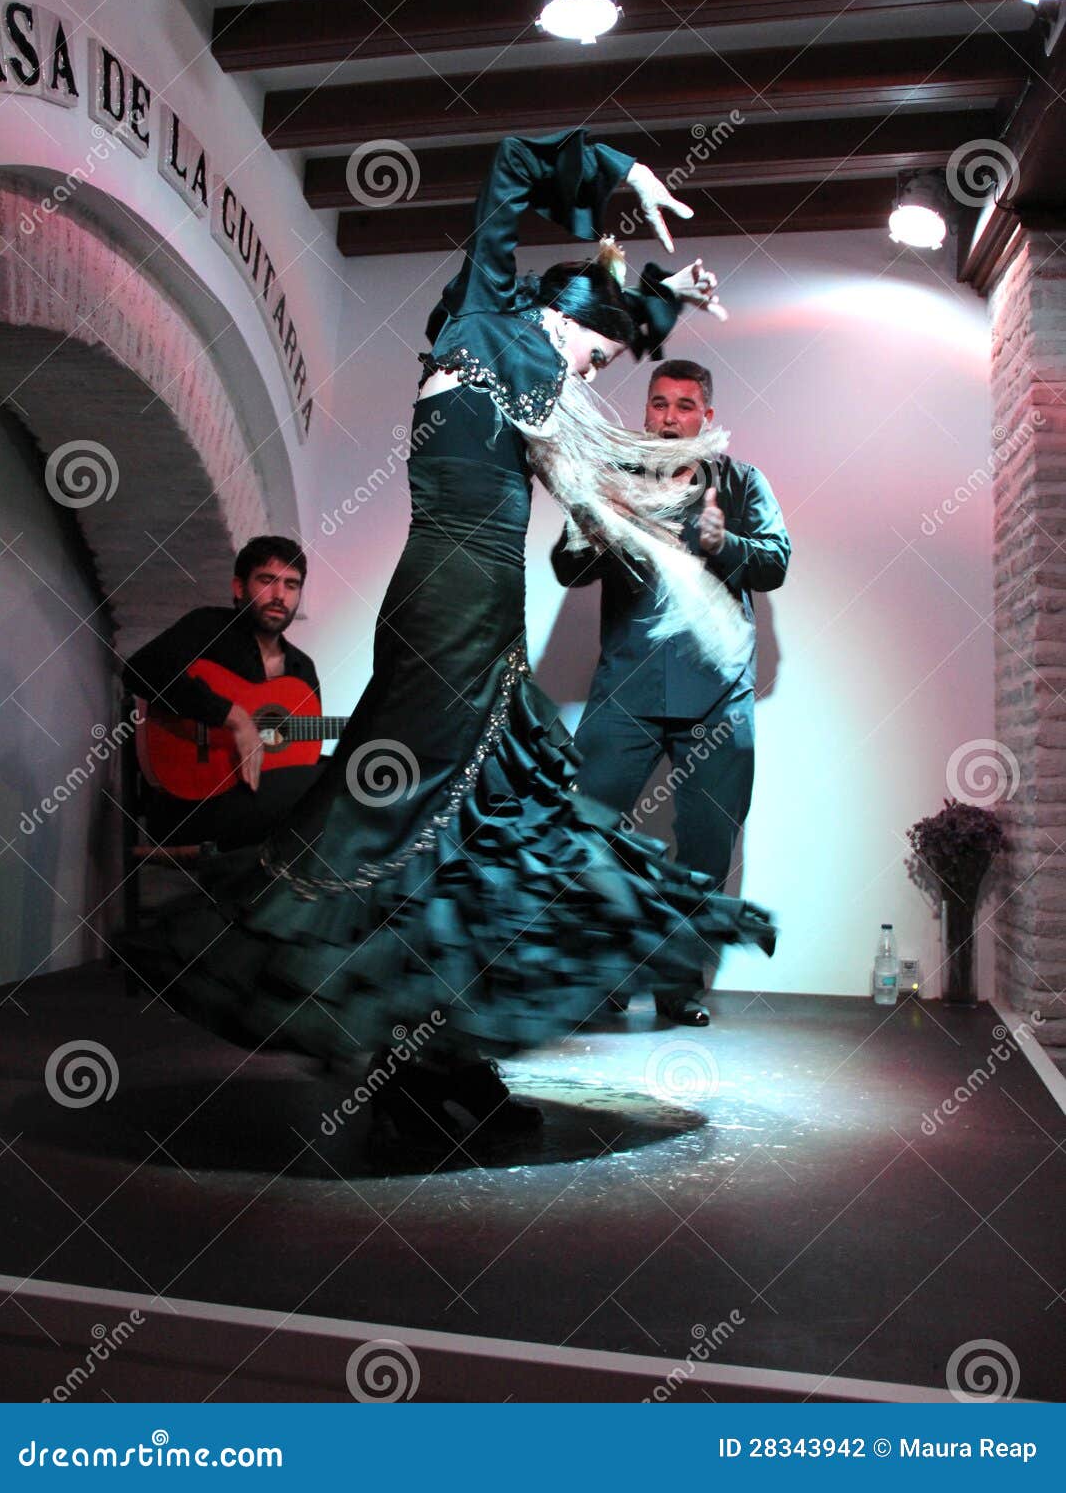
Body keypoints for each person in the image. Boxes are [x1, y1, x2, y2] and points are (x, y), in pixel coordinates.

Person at [123, 130, 775, 1152]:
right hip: (442, 599)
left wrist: (666, 297)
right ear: (557, 317)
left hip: (487, 603)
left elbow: (610, 312)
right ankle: (407, 1067)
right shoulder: (481, 325)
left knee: (478, 826)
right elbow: (514, 162)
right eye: (599, 347)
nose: (603, 365)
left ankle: (449, 1057)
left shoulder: (533, 369)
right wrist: (618, 174)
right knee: (415, 826)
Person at [552, 361, 790, 1025]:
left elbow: (774, 560)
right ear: (646, 411)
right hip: (625, 688)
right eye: (658, 404)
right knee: (588, 835)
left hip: (718, 694)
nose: (668, 416)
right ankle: (596, 982)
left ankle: (678, 990)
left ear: (704, 419)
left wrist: (722, 543)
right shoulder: (615, 480)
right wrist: (601, 522)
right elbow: (567, 566)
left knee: (707, 850)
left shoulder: (740, 483)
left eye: (684, 406)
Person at [123, 537, 325, 852]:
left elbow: (296, 756)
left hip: (252, 811)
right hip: (183, 804)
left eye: (291, 585)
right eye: (266, 580)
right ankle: (217, 865)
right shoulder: (209, 626)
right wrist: (235, 718)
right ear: (239, 587)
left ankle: (211, 862)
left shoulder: (303, 670)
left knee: (335, 778)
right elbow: (140, 670)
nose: (279, 595)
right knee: (319, 785)